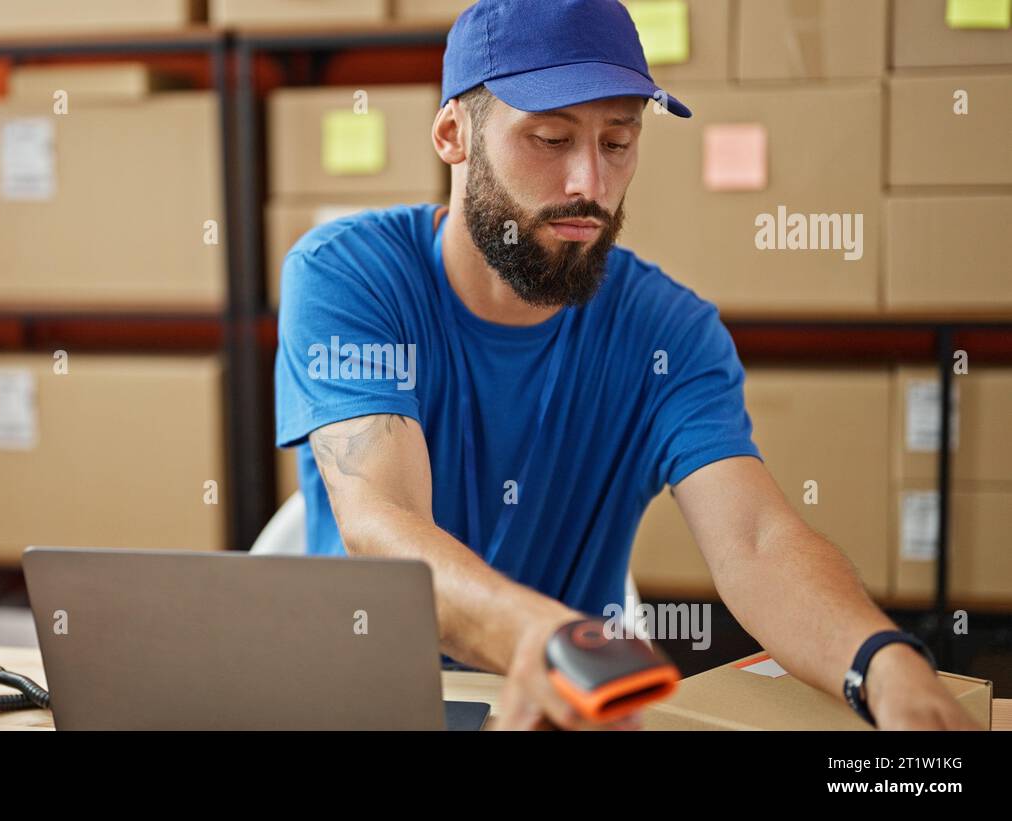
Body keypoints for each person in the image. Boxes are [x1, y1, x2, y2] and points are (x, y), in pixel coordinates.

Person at [273, 0, 978, 730]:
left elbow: (756, 541)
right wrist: (547, 643)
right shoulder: (348, 275)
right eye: (549, 138)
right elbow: (384, 522)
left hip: (573, 709)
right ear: (453, 133)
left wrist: (885, 664)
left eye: (618, 142)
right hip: (371, 696)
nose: (590, 183)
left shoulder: (670, 330)